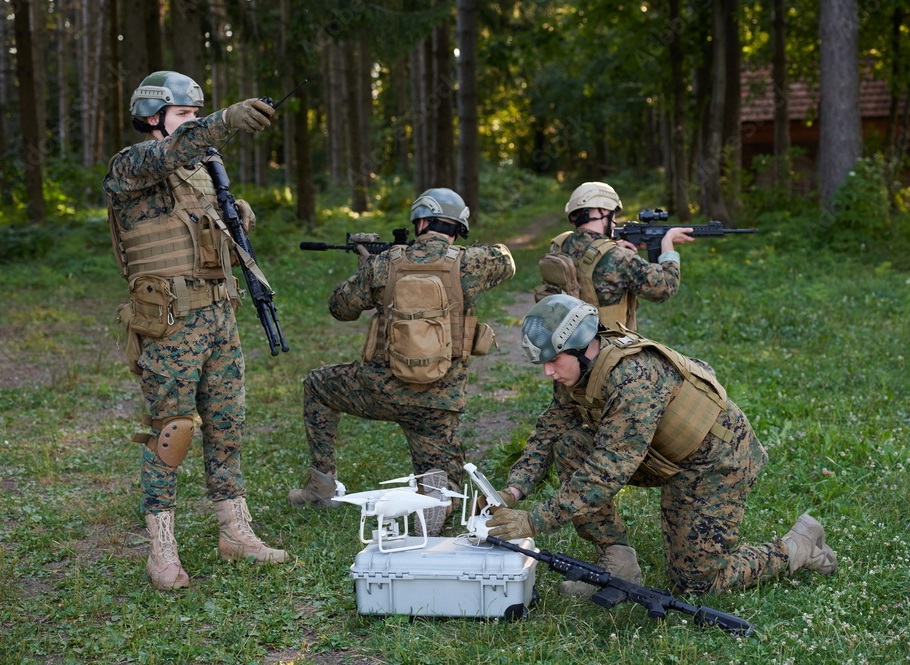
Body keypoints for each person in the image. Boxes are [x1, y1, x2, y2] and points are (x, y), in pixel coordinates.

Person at [486, 294, 837, 598]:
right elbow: (548, 431)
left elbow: (606, 472)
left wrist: (534, 521)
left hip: (714, 463)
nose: (548, 372)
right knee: (569, 445)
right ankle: (619, 563)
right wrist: (514, 490)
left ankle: (796, 547)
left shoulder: (634, 378)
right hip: (661, 454)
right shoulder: (579, 369)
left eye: (552, 361)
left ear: (579, 346)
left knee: (697, 584)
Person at [104, 71, 287, 590]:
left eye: (198, 114)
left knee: (228, 424)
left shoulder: (204, 173)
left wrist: (234, 220)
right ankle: (161, 548)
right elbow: (170, 154)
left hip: (218, 318)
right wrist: (224, 120)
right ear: (153, 117)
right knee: (171, 433)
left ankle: (235, 531)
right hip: (169, 325)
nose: (195, 124)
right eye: (185, 115)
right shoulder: (132, 165)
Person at [289, 188, 515, 536]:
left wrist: (367, 269)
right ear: (457, 229)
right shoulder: (472, 263)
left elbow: (340, 308)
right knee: (445, 475)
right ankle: (437, 491)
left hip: (380, 389)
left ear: (420, 221)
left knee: (317, 385)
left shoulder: (385, 264)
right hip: (437, 402)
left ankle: (321, 488)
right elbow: (507, 261)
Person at [542, 181, 695, 330]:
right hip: (605, 349)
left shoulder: (561, 245)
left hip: (565, 344)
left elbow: (585, 262)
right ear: (603, 211)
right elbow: (665, 289)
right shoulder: (620, 257)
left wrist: (610, 248)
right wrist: (668, 244)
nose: (614, 221)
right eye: (613, 213)